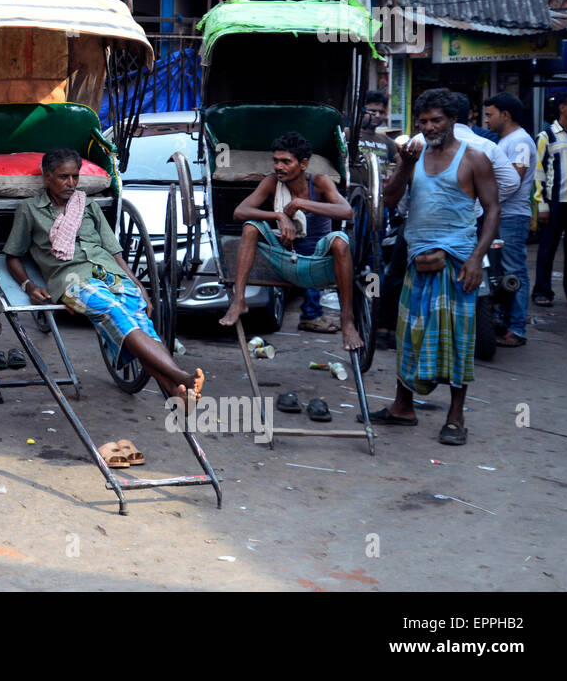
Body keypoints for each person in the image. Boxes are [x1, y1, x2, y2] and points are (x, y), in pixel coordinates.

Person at [3, 148, 204, 407]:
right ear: (47, 177)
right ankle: (180, 376)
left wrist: (137, 283)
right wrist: (29, 286)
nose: (71, 184)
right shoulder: (30, 209)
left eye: (75, 177)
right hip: (71, 279)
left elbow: (114, 251)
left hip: (111, 274)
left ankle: (173, 389)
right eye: (63, 177)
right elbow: (12, 256)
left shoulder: (88, 205)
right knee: (113, 310)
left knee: (140, 320)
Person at [376, 88, 499, 446]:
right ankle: (403, 406)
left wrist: (476, 257)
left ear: (453, 121)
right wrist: (407, 165)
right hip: (417, 257)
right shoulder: (412, 157)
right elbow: (389, 198)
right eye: (424, 121)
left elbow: (493, 209)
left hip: (458, 261)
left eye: (436, 120)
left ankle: (456, 416)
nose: (429, 127)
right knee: (409, 333)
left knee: (457, 338)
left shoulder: (474, 158)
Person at [217, 132, 363, 350]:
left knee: (340, 240)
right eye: (276, 161)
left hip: (317, 258)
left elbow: (346, 212)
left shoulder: (320, 182)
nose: (279, 167)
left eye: (286, 161)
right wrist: (279, 216)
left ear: (303, 164)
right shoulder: (271, 182)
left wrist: (301, 205)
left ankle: (347, 319)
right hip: (284, 257)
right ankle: (239, 300)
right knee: (250, 227)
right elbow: (240, 211)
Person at [483, 92, 537, 346]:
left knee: (514, 271)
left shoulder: (521, 142)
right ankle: (504, 323)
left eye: (490, 115)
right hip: (500, 214)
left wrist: (487, 202)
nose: (486, 120)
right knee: (500, 271)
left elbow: (513, 181)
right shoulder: (503, 141)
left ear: (505, 115)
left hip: (512, 216)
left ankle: (517, 329)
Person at [533, 88, 567, 307]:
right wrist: (542, 205)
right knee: (547, 249)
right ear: (562, 108)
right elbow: (537, 172)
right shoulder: (546, 136)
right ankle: (542, 291)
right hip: (555, 202)